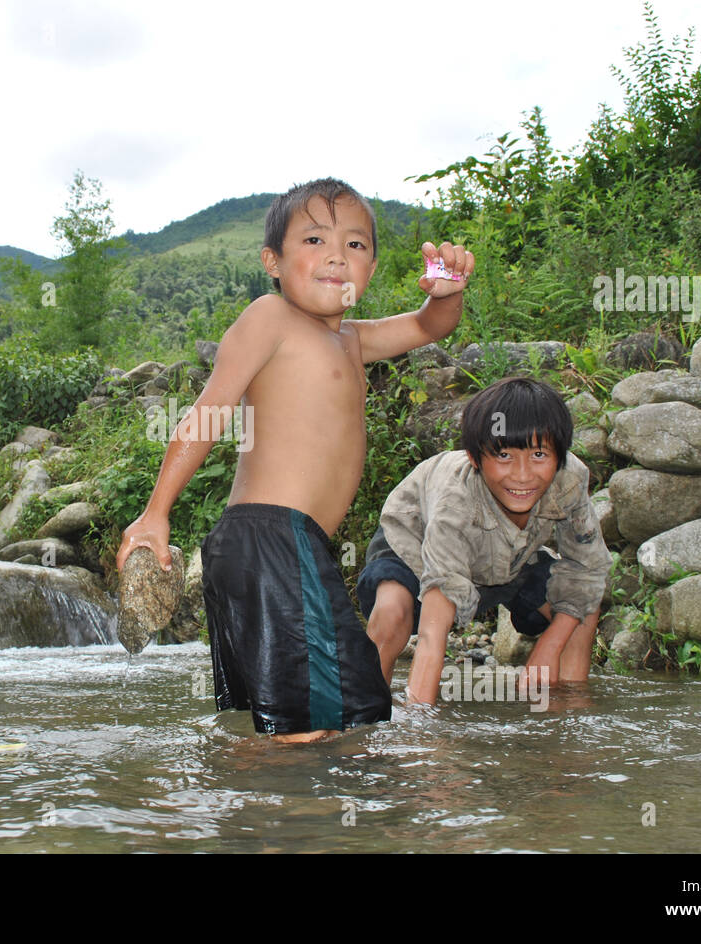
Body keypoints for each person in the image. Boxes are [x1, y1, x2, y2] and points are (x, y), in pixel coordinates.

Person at [115, 178, 472, 741]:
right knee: (335, 717)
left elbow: (430, 325)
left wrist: (446, 290)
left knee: (277, 722)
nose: (336, 255)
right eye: (313, 240)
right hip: (272, 539)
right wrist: (156, 512)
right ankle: (304, 824)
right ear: (272, 262)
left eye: (355, 245)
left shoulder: (353, 338)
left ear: (372, 269)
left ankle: (236, 815)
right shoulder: (271, 318)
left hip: (281, 550)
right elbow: (210, 411)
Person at [357, 377, 607, 706]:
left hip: (512, 556)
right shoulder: (455, 503)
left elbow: (586, 569)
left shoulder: (571, 480)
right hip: (414, 545)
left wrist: (550, 646)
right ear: (475, 459)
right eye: (504, 456)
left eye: (539, 455)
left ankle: (570, 717)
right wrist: (421, 736)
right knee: (392, 612)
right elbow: (433, 634)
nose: (522, 475)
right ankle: (364, 712)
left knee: (580, 610)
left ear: (559, 456)